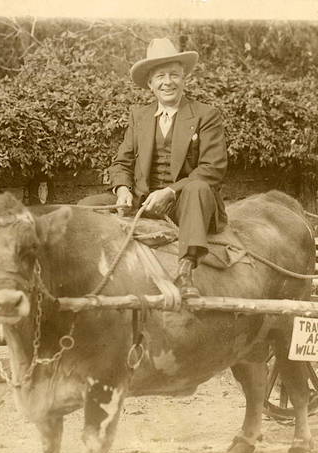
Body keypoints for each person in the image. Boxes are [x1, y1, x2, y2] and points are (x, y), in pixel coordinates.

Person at [79, 38, 228, 298]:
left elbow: (212, 168)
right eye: (160, 76)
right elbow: (122, 162)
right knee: (86, 208)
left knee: (198, 188)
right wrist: (123, 189)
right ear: (150, 83)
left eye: (174, 75)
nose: (167, 82)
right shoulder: (139, 116)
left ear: (184, 78)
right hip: (143, 200)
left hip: (186, 203)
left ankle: (185, 270)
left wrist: (170, 192)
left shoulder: (205, 115)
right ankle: (85, 274)